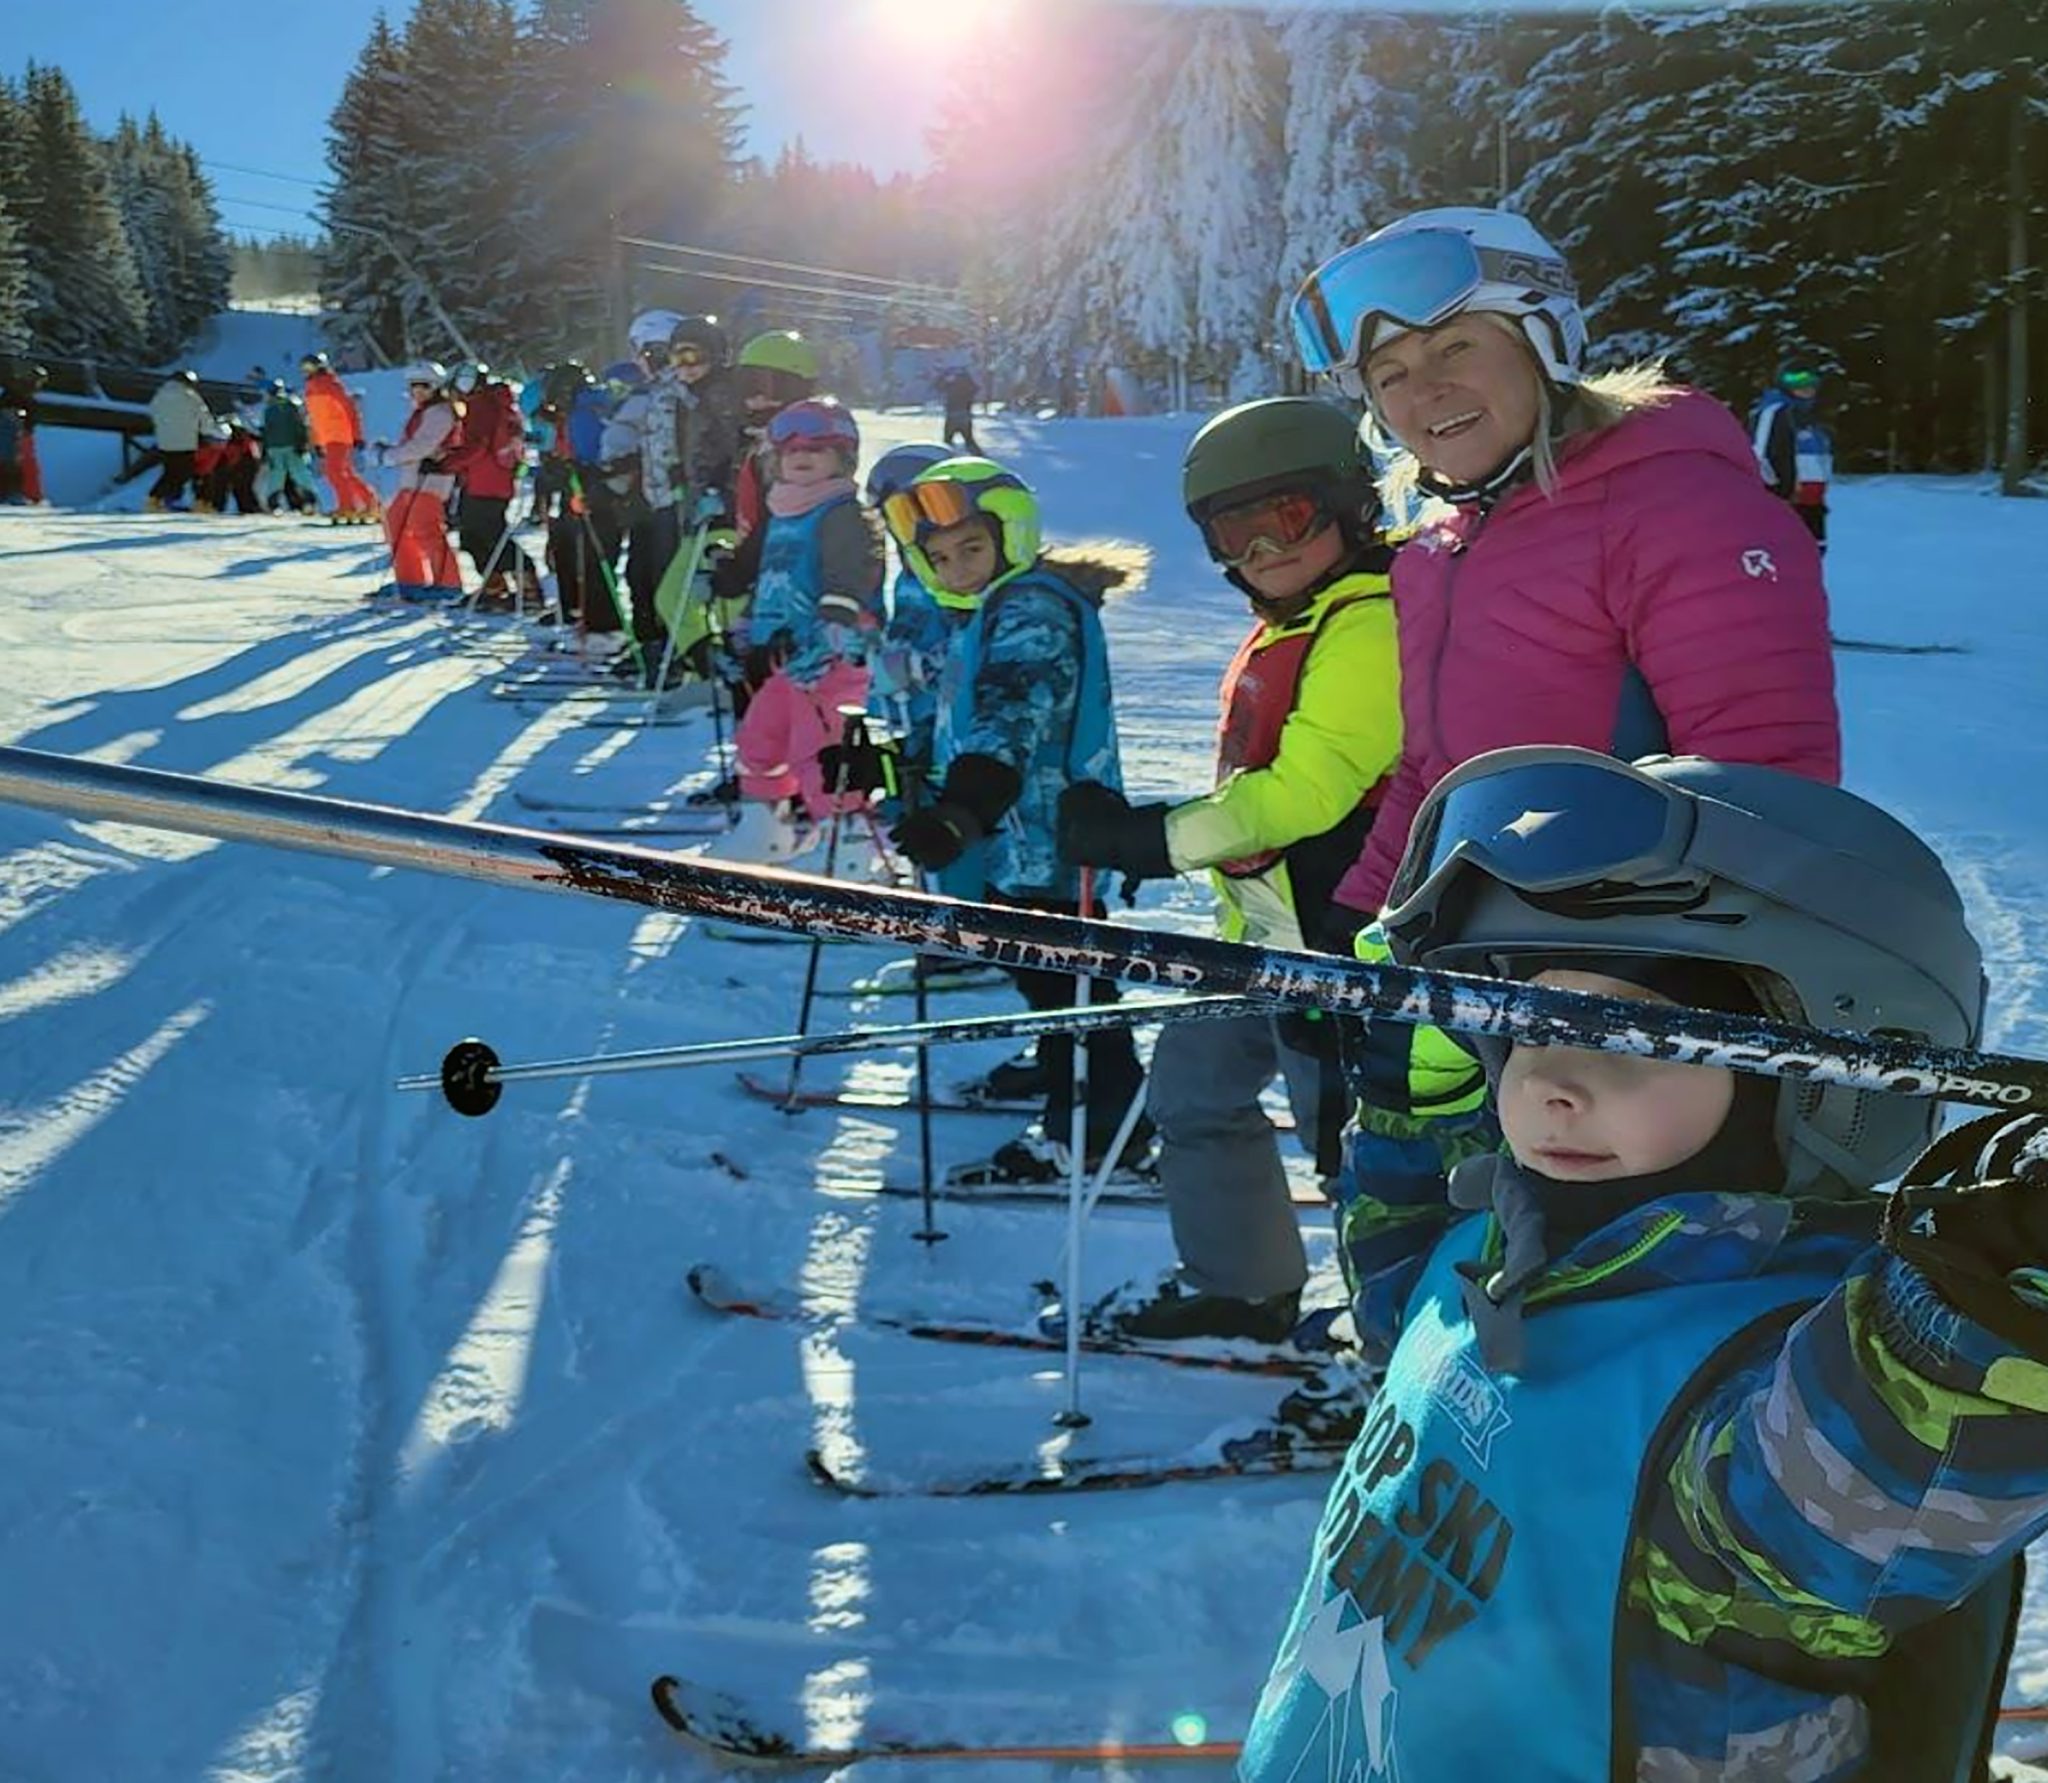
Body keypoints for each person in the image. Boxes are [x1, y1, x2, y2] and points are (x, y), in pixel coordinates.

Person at [1240, 743, 2038, 1783]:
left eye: (1634, 1035)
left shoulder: (1765, 1394)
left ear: (1816, 1074)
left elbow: (1892, 1469)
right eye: (1524, 1024)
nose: (1552, 1083)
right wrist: (1400, 1094)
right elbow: (1402, 1295)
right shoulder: (1484, 1251)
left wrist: (2003, 1276)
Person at [1054, 397, 1404, 1342]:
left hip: (1341, 947)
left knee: (1353, 1149)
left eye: (1281, 520)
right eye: (1231, 532)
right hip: (1262, 931)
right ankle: (1241, 1283)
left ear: (1345, 503)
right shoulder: (1301, 617)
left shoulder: (1374, 623)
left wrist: (1150, 838)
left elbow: (1304, 794)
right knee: (1196, 1086)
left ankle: (1390, 1343)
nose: (1258, 553)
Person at [883, 455, 1150, 1182]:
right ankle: (1075, 1083)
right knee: (1047, 978)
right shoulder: (993, 607)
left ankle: (1101, 1135)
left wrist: (962, 811)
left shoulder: (1029, 607)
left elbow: (1011, 717)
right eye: (940, 556)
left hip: (1056, 842)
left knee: (1070, 985)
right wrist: (893, 771)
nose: (958, 567)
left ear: (1011, 534)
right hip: (1024, 841)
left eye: (972, 547)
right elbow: (960, 724)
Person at [728, 398, 885, 855]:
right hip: (785, 660)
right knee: (759, 739)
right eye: (791, 449)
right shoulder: (782, 510)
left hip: (828, 661)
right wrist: (732, 589)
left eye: (818, 448)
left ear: (844, 458)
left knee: (820, 754)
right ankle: (764, 833)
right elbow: (763, 570)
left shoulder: (842, 514)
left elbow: (851, 578)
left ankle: (847, 848)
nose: (802, 455)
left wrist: (829, 624)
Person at [443, 361, 539, 603]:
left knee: (489, 534)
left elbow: (477, 445)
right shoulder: (492, 403)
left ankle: (526, 582)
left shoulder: (482, 406)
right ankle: (494, 584)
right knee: (474, 535)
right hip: (489, 480)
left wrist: (447, 463)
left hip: (486, 481)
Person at [377, 362, 464, 602]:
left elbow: (421, 447)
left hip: (431, 481)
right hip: (412, 480)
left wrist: (388, 456)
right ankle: (410, 579)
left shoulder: (441, 412)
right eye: (413, 386)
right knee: (396, 524)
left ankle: (448, 584)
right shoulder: (423, 411)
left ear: (436, 386)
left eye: (424, 385)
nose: (418, 390)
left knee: (427, 531)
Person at [1750, 359, 1833, 548]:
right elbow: (1759, 456)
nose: (1805, 387)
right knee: (1787, 558)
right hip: (1787, 504)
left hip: (1812, 504)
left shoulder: (1807, 417)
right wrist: (1778, 495)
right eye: (1795, 381)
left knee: (1811, 558)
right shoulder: (1775, 412)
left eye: (1810, 381)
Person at [301, 353, 379, 523]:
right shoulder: (310, 388)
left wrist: (357, 435)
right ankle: (371, 503)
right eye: (304, 368)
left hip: (340, 434)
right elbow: (316, 418)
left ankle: (348, 507)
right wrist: (317, 441)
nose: (307, 371)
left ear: (320, 366)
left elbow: (350, 409)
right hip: (328, 437)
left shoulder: (330, 384)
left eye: (310, 367)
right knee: (346, 472)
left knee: (334, 471)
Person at [146, 369, 222, 512]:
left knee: (170, 471)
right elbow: (204, 417)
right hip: (185, 441)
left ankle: (156, 500)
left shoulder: (160, 395)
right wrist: (207, 432)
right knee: (183, 473)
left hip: (165, 442)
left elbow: (153, 414)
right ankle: (158, 498)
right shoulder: (190, 396)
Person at [256, 380, 318, 513]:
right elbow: (300, 425)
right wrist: (303, 442)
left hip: (278, 447)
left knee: (278, 476)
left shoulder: (272, 409)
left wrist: (265, 449)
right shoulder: (288, 406)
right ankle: (308, 501)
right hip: (287, 446)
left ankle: (276, 504)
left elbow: (266, 431)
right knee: (299, 474)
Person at [939, 364, 980, 453]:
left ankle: (944, 458)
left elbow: (938, 386)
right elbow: (976, 388)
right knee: (969, 440)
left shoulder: (951, 385)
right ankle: (980, 458)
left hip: (952, 416)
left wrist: (944, 376)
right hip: (965, 416)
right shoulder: (968, 386)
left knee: (947, 441)